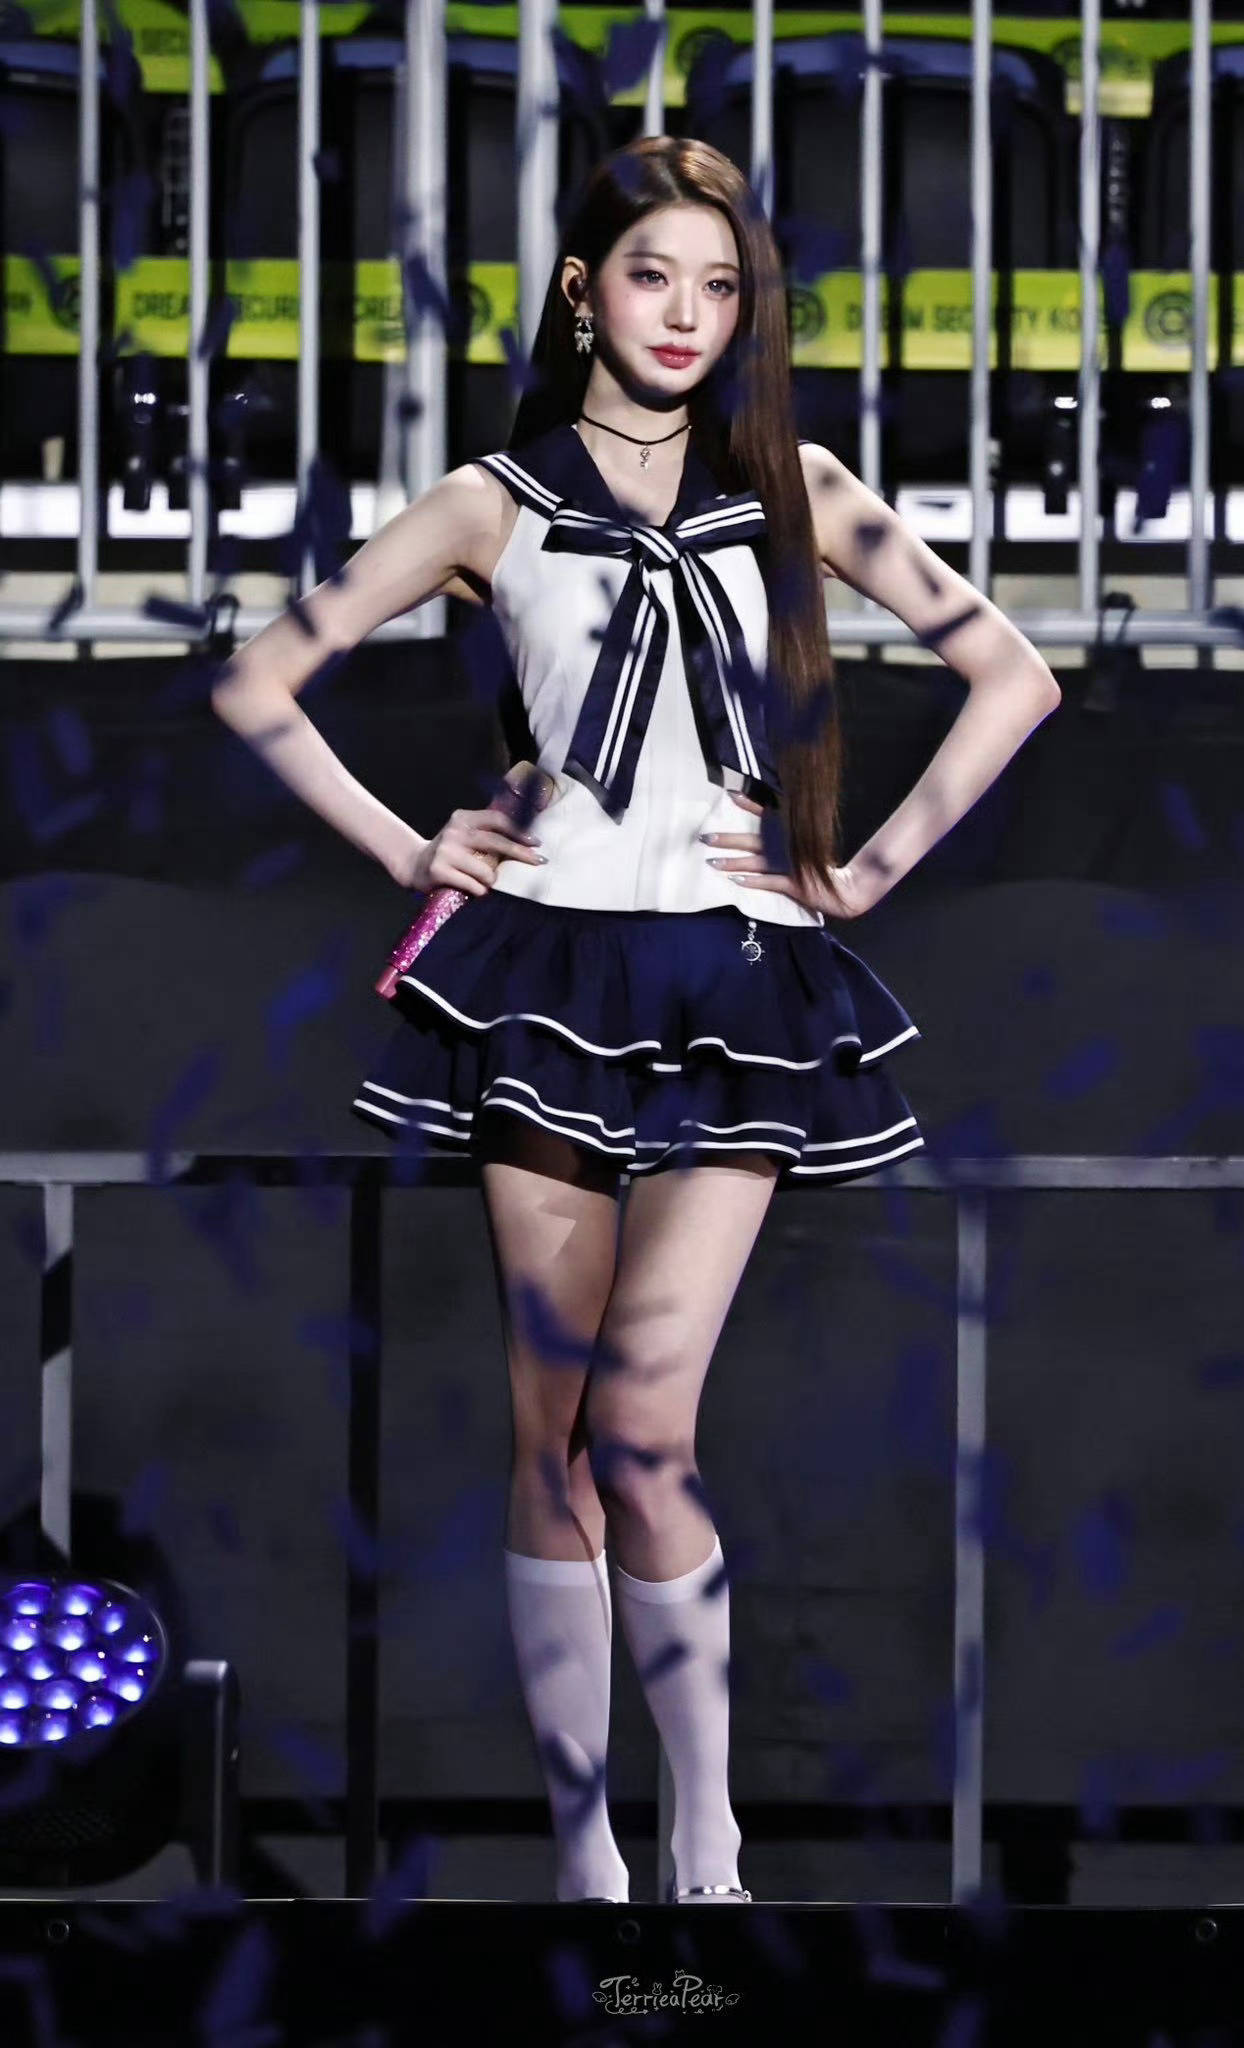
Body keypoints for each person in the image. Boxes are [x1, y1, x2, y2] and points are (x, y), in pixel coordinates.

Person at [210, 136, 1061, 1907]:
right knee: (554, 1438)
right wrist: (412, 848)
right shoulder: (492, 500)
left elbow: (1015, 670)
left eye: (720, 285)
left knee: (645, 1423)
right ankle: (588, 1861)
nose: (686, 313)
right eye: (653, 275)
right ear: (582, 291)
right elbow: (258, 679)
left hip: (739, 973)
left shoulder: (798, 485)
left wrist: (864, 868)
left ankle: (710, 1839)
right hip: (545, 971)